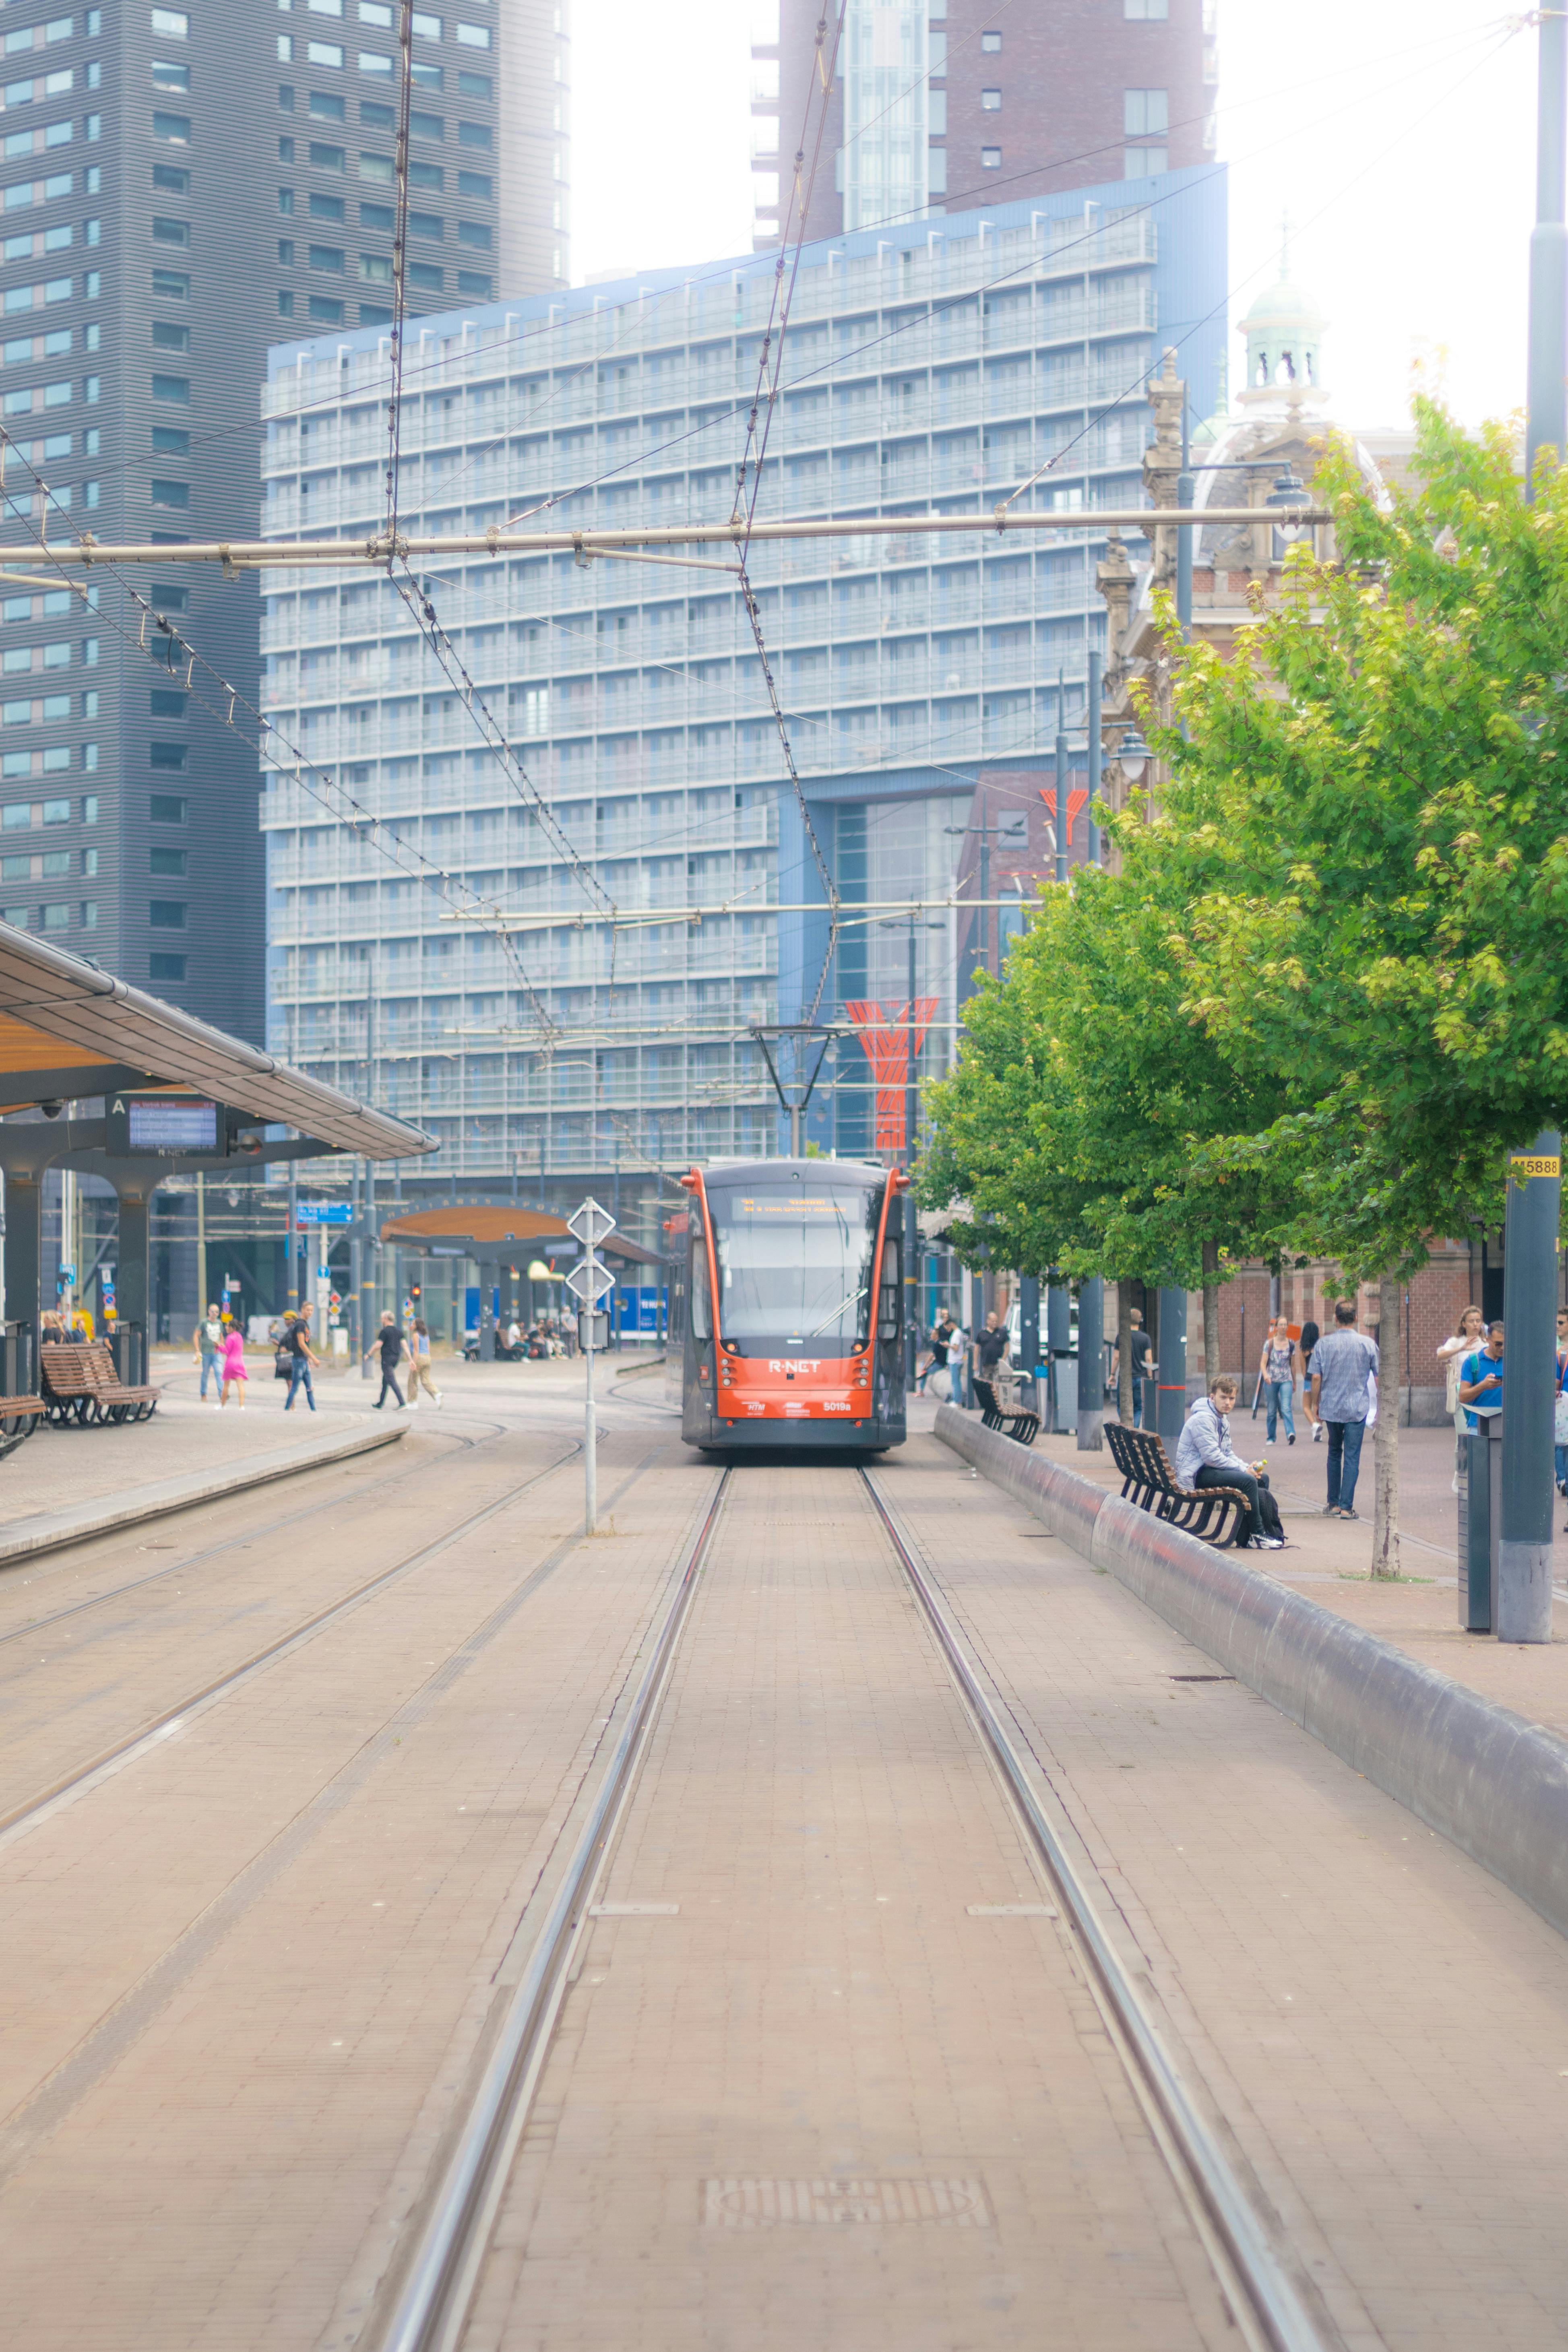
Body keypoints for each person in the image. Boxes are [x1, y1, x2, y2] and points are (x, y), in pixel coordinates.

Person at [1174, 1374, 1284, 1549]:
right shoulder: (1204, 1419)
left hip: (1208, 1469)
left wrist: (1247, 1467)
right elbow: (1212, 1457)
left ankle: (1246, 1535)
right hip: (1196, 1474)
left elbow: (1227, 1453)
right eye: (1223, 1398)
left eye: (1232, 1398)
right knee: (1248, 1481)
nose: (1228, 1403)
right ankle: (1258, 1533)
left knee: (1261, 1479)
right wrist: (1243, 1471)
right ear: (1213, 1397)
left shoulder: (1221, 1418)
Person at [1308, 1299, 1380, 1520]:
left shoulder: (1323, 1345)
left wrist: (1316, 1404)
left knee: (1333, 1452)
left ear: (1335, 1319)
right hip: (1357, 1408)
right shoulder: (1368, 1344)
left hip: (1331, 1407)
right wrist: (1382, 1407)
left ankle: (1333, 1503)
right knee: (1352, 1456)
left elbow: (1317, 1377)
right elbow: (1379, 1377)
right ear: (1356, 1318)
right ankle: (1347, 1507)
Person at [1438, 1305, 1486, 1494]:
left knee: (1480, 1436)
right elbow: (1440, 1355)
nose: (1475, 1324)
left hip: (1481, 1397)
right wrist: (1462, 1348)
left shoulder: (1486, 1343)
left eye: (1478, 1320)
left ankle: (1477, 1476)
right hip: (1461, 1396)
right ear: (1464, 1323)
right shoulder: (1455, 1341)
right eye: (1472, 1321)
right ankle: (1461, 1474)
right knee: (1464, 1437)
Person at [1457, 1320, 1505, 1432]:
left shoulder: (1512, 1362)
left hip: (1507, 1425)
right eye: (1498, 1344)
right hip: (1479, 1425)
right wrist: (1483, 1386)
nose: (1502, 1348)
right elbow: (1463, 1397)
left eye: (1505, 1343)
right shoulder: (1473, 1362)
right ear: (1488, 1340)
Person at [1258, 1317, 1300, 1445]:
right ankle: (1271, 1437)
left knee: (1286, 1407)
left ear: (1288, 1327)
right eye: (1280, 1325)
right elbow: (1263, 1363)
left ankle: (1291, 1433)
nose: (1283, 1327)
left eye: (1285, 1325)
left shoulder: (1292, 1344)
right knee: (1272, 1410)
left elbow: (1293, 1365)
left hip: (1286, 1379)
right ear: (1277, 1327)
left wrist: (1294, 1381)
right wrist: (1266, 1375)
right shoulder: (1269, 1344)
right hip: (1271, 1380)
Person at [1110, 1307, 1154, 1427]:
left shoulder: (1121, 1337)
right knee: (1138, 1408)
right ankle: (1134, 1431)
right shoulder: (1146, 1338)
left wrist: (1112, 1375)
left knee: (1121, 1406)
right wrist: (1150, 1376)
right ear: (1141, 1321)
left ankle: (1128, 1429)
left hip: (1125, 1378)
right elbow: (1149, 1359)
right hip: (1141, 1378)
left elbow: (1116, 1357)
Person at [366, 1309, 408, 1409]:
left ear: (386, 1319)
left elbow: (378, 1345)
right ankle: (380, 1403)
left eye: (382, 1319)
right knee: (386, 1381)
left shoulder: (384, 1331)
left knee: (391, 1381)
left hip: (387, 1359)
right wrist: (410, 1359)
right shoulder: (399, 1331)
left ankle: (402, 1403)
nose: (381, 1321)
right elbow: (405, 1346)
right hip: (396, 1359)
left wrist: (369, 1354)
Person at [281, 1307, 320, 1411]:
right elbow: (302, 1344)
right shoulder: (300, 1325)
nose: (310, 1312)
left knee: (309, 1388)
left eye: (312, 1310)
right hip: (299, 1360)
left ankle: (314, 1410)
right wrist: (314, 1358)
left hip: (304, 1360)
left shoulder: (304, 1325)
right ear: (303, 1310)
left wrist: (309, 1358)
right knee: (295, 1387)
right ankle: (287, 1409)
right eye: (308, 1310)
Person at [406, 1315, 443, 1409]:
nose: (412, 1324)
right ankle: (437, 1393)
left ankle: (412, 1402)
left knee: (412, 1381)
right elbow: (428, 1348)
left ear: (417, 1326)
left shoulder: (416, 1335)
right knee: (426, 1380)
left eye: (413, 1323)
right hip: (428, 1357)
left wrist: (413, 1363)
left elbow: (416, 1350)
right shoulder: (426, 1335)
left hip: (420, 1358)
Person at [192, 1302, 222, 1404]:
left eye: (217, 1312)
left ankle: (222, 1394)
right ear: (209, 1312)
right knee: (205, 1373)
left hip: (217, 1353)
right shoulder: (204, 1323)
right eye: (213, 1311)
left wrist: (222, 1346)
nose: (215, 1313)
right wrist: (197, 1349)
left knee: (219, 1372)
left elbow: (221, 1336)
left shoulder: (219, 1323)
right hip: (206, 1353)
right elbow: (197, 1335)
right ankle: (203, 1393)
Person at [1298, 1317, 1322, 1441]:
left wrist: (1306, 1379)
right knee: (1318, 1405)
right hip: (1321, 1379)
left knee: (1306, 1406)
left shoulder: (1304, 1349)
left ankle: (1314, 1425)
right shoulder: (1321, 1347)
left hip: (1308, 1379)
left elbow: (1303, 1369)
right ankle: (1319, 1429)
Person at [219, 1319, 247, 1408]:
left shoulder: (230, 1337)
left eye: (228, 1326)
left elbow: (227, 1351)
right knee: (240, 1386)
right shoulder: (240, 1337)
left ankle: (223, 1406)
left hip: (230, 1364)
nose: (226, 1328)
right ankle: (242, 1406)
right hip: (240, 1363)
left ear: (233, 1328)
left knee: (226, 1386)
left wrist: (218, 1347)